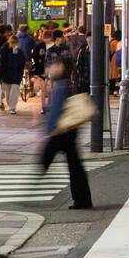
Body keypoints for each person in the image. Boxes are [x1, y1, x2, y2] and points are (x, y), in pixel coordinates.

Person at [41, 57, 92, 209]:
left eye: (55, 65)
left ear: (62, 68)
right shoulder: (65, 84)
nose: (51, 68)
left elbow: (57, 110)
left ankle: (29, 194)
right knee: (75, 166)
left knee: (45, 162)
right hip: (68, 131)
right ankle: (82, 200)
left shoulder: (62, 86)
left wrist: (52, 130)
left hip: (62, 132)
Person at [0, 32, 26, 114]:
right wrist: (8, 47)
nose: (14, 44)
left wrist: (16, 54)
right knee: (8, 91)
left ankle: (12, 107)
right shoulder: (5, 50)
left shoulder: (20, 52)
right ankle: (9, 106)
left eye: (15, 43)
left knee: (15, 90)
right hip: (7, 74)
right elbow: (2, 58)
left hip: (17, 74)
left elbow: (22, 62)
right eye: (12, 43)